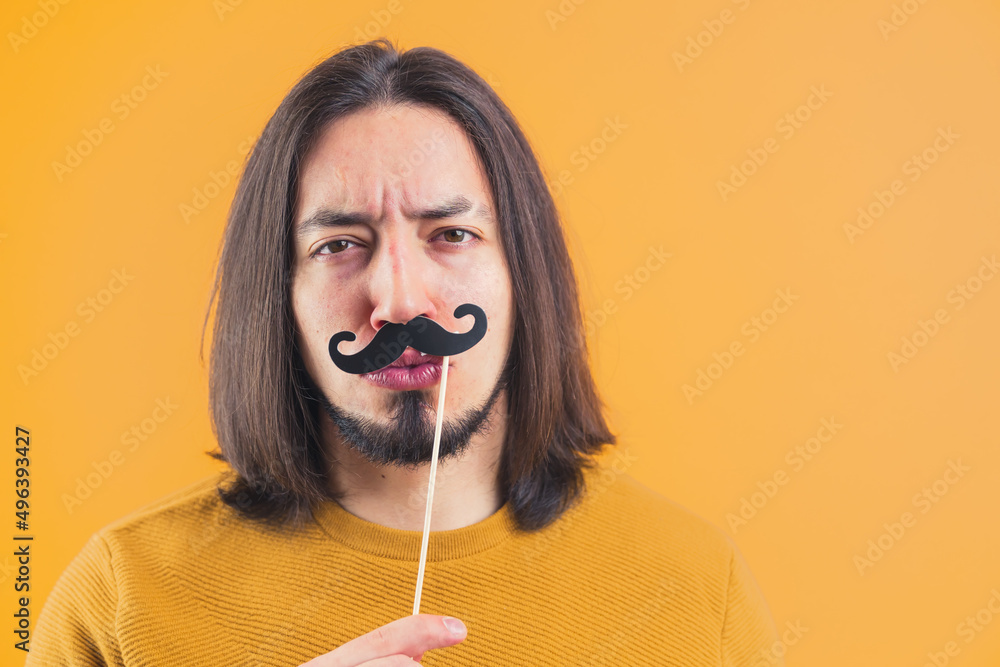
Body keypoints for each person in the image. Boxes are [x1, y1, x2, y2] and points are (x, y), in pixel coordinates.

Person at [27, 38, 783, 666]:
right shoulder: (122, 598)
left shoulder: (695, 589)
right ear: (277, 295)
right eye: (339, 244)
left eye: (451, 235)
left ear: (524, 274)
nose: (399, 302)